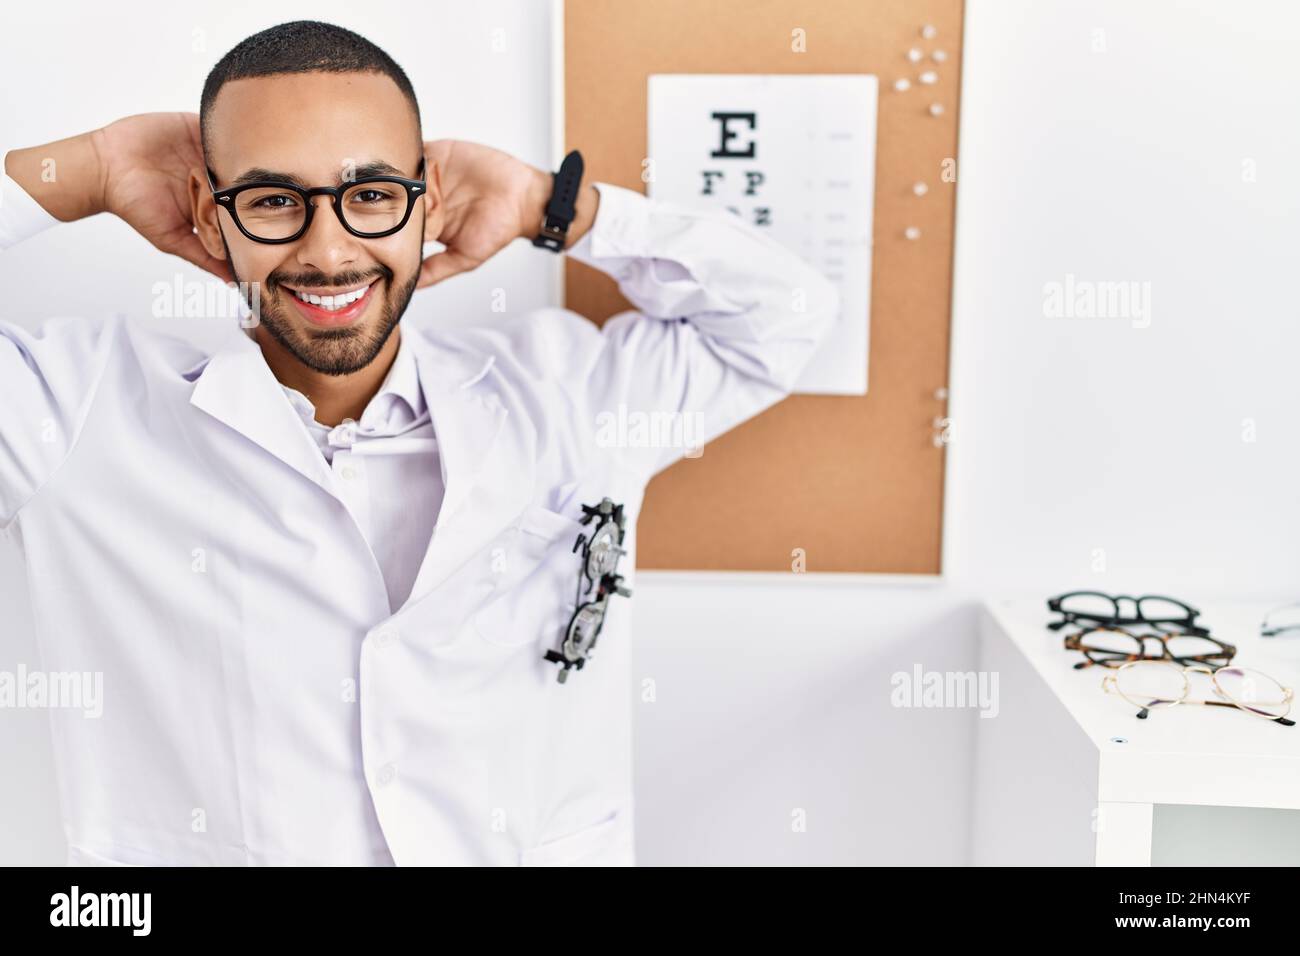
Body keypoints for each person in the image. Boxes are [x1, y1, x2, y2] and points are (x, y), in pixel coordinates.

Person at [0, 20, 839, 865]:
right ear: (207, 215)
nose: (329, 253)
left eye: (370, 195)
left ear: (428, 198)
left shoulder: (570, 395)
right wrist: (91, 171)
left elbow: (784, 318)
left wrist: (557, 206)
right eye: (271, 200)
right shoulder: (79, 415)